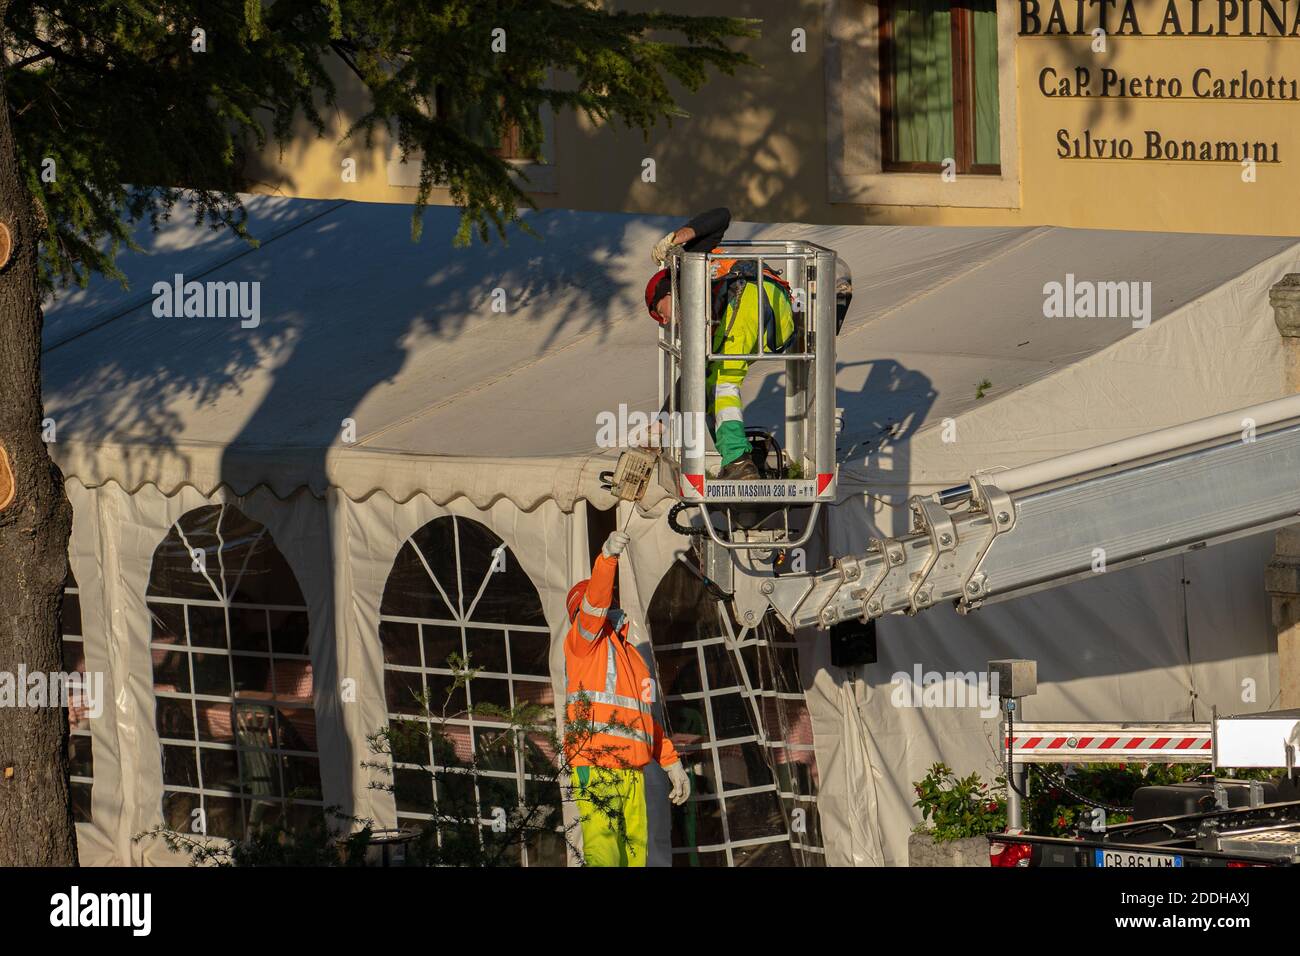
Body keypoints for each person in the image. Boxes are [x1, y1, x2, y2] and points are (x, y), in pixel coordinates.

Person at [564, 529, 691, 866]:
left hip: (632, 771)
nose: (608, 605)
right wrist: (606, 560)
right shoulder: (582, 645)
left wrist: (670, 760)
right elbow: (595, 603)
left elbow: (645, 720)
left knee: (634, 859)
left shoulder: (633, 658)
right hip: (598, 767)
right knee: (605, 858)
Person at [644, 208, 796, 481]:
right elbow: (691, 377)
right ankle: (734, 458)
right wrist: (660, 425)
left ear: (667, 290)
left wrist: (675, 239)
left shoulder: (688, 265)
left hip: (749, 293)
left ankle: (738, 459)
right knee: (706, 383)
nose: (665, 320)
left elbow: (721, 216)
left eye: (660, 310)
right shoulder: (706, 315)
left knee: (723, 382)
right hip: (769, 310)